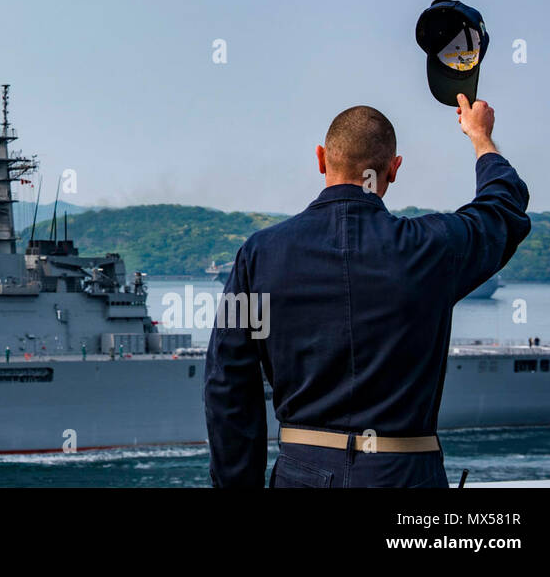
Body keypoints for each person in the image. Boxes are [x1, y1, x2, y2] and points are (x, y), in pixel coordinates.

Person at [204, 95, 530, 488]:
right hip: (406, 475)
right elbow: (504, 210)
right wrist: (481, 138)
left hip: (301, 473)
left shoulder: (257, 255)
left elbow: (227, 386)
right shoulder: (431, 248)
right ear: (393, 170)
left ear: (321, 158)